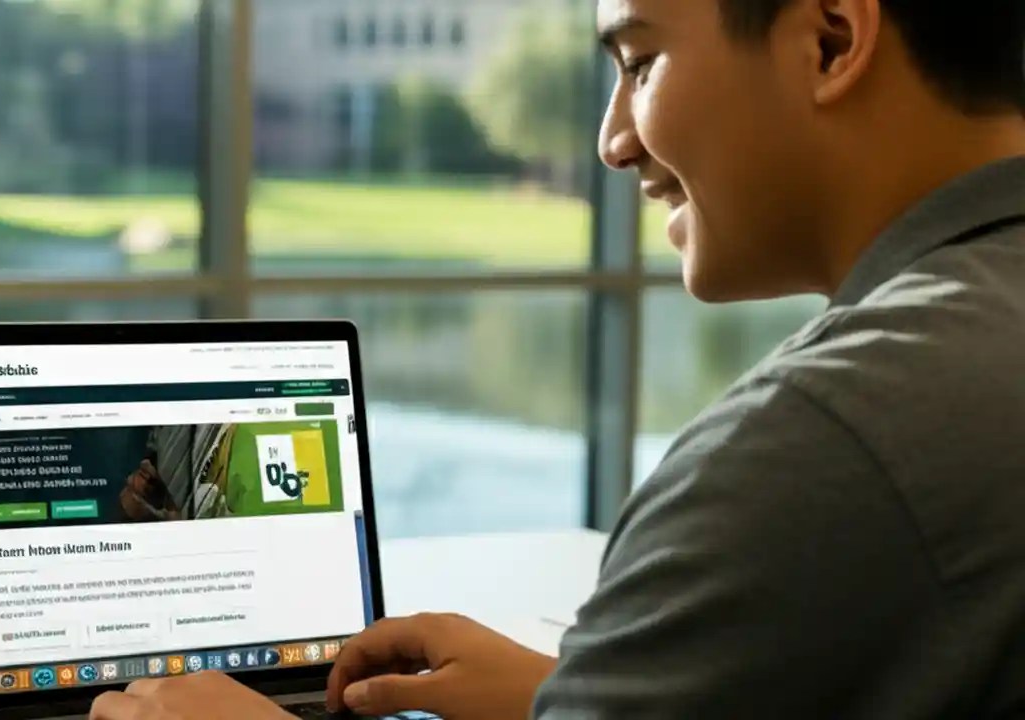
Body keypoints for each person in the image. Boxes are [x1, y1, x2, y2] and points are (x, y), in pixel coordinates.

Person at [90, 0, 1025, 716]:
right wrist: (587, 692)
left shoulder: (816, 439)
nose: (613, 140)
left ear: (828, 39)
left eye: (642, 61)